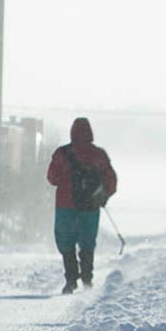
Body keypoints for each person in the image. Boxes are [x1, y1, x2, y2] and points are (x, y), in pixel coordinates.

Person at [47, 117, 117, 293]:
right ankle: (87, 278)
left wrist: (67, 180)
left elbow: (51, 178)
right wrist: (102, 195)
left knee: (66, 241)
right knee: (87, 242)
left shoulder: (62, 154)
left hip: (65, 205)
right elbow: (111, 180)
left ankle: (71, 279)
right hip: (90, 206)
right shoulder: (99, 155)